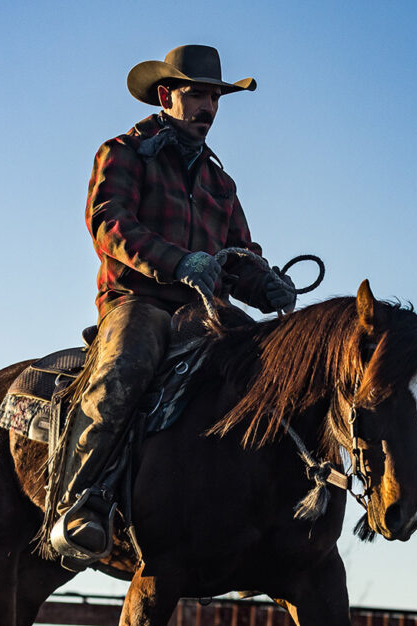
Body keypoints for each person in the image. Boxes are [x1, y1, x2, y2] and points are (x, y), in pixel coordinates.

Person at [49, 44, 295, 565]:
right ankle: (79, 503)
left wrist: (265, 283)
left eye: (216, 98)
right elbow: (109, 223)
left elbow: (239, 254)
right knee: (125, 366)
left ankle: (255, 519)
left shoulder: (220, 182)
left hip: (203, 312)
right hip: (137, 301)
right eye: (198, 95)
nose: (209, 108)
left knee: (265, 373)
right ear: (167, 95)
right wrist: (179, 262)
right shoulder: (121, 152)